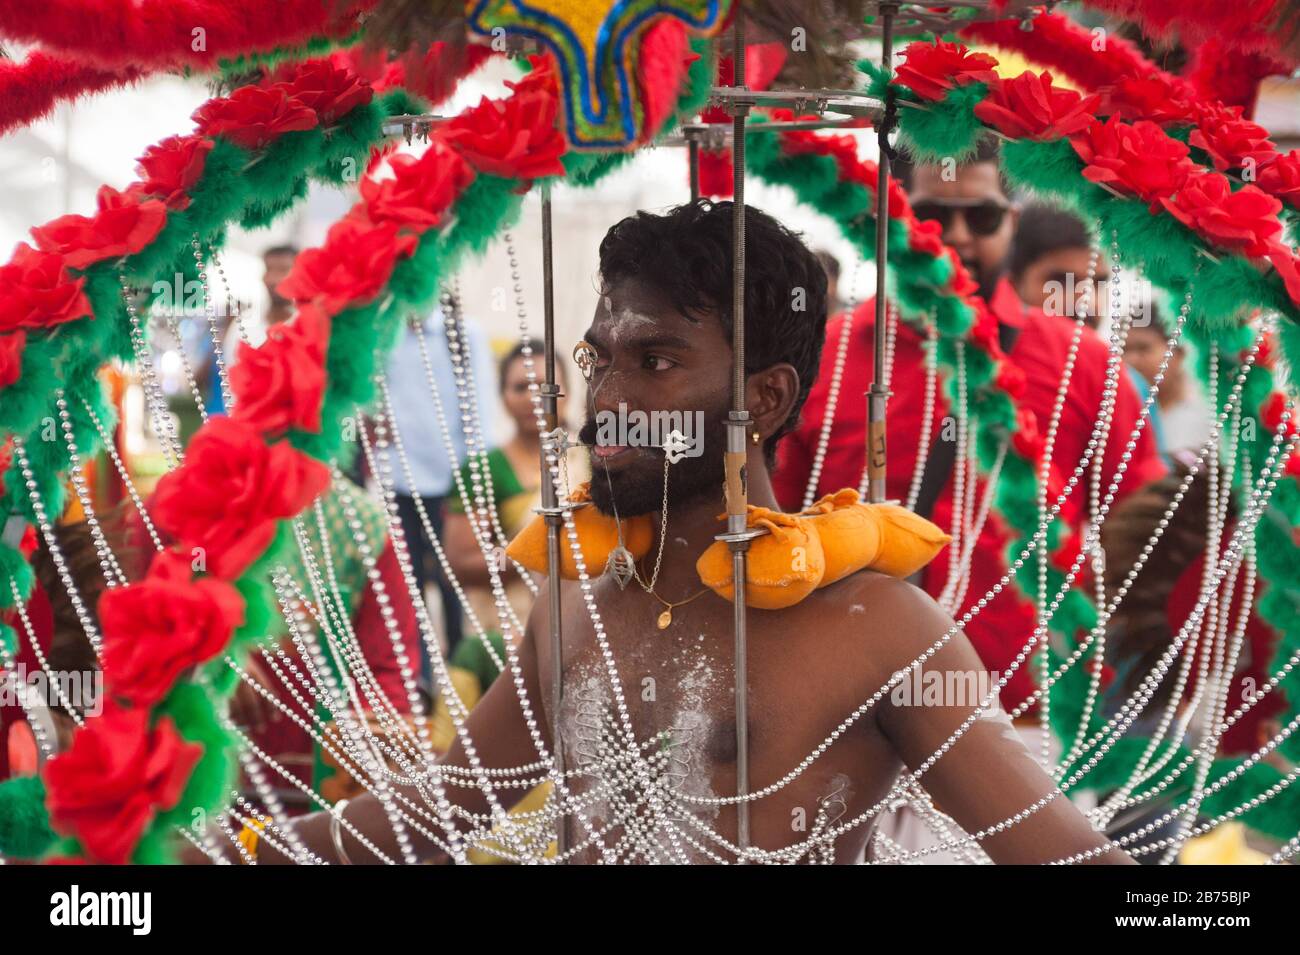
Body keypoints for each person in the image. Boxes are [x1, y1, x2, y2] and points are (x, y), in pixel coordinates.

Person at [195, 200, 1134, 864]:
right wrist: (190, 860)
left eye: (656, 361)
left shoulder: (876, 626)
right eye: (600, 360)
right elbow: (437, 812)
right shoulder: (574, 607)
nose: (607, 401)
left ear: (765, 397)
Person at [773, 138, 1167, 718]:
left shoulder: (1081, 360)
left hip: (1032, 709)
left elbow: (1141, 527)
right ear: (889, 217)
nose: (957, 236)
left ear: (1010, 223)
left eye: (980, 217)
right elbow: (779, 521)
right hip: (850, 708)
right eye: (930, 215)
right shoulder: (824, 354)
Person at [380, 309, 499, 678]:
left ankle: (459, 668)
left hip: (453, 480)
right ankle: (422, 675)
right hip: (398, 479)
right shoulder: (384, 332)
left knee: (453, 577)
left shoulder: (462, 334)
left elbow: (479, 406)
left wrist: (475, 478)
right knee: (407, 580)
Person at [441, 339, 585, 635]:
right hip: (510, 625)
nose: (534, 397)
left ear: (568, 393)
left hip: (586, 617)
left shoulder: (593, 461)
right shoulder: (483, 470)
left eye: (546, 386)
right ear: (503, 397)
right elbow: (460, 562)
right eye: (521, 387)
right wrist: (535, 551)